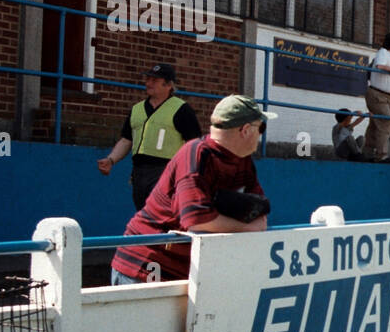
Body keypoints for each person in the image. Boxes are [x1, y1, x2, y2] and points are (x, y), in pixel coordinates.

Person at [110, 95, 275, 285]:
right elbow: (197, 220)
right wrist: (249, 228)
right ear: (245, 130)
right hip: (144, 267)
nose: (261, 135)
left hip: (186, 273)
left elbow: (260, 209)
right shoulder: (196, 154)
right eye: (260, 128)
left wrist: (247, 220)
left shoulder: (243, 162)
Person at [98, 62, 202, 209]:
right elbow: (126, 140)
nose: (148, 83)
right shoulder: (137, 109)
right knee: (143, 214)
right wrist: (111, 159)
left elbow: (194, 144)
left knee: (160, 214)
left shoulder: (182, 110)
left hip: (166, 171)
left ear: (168, 85)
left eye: (154, 80)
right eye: (148, 79)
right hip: (139, 173)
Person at [365, 33, 390, 163]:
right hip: (377, 94)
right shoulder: (382, 53)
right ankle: (381, 155)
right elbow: (379, 66)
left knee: (375, 124)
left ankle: (367, 152)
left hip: (388, 96)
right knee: (387, 122)